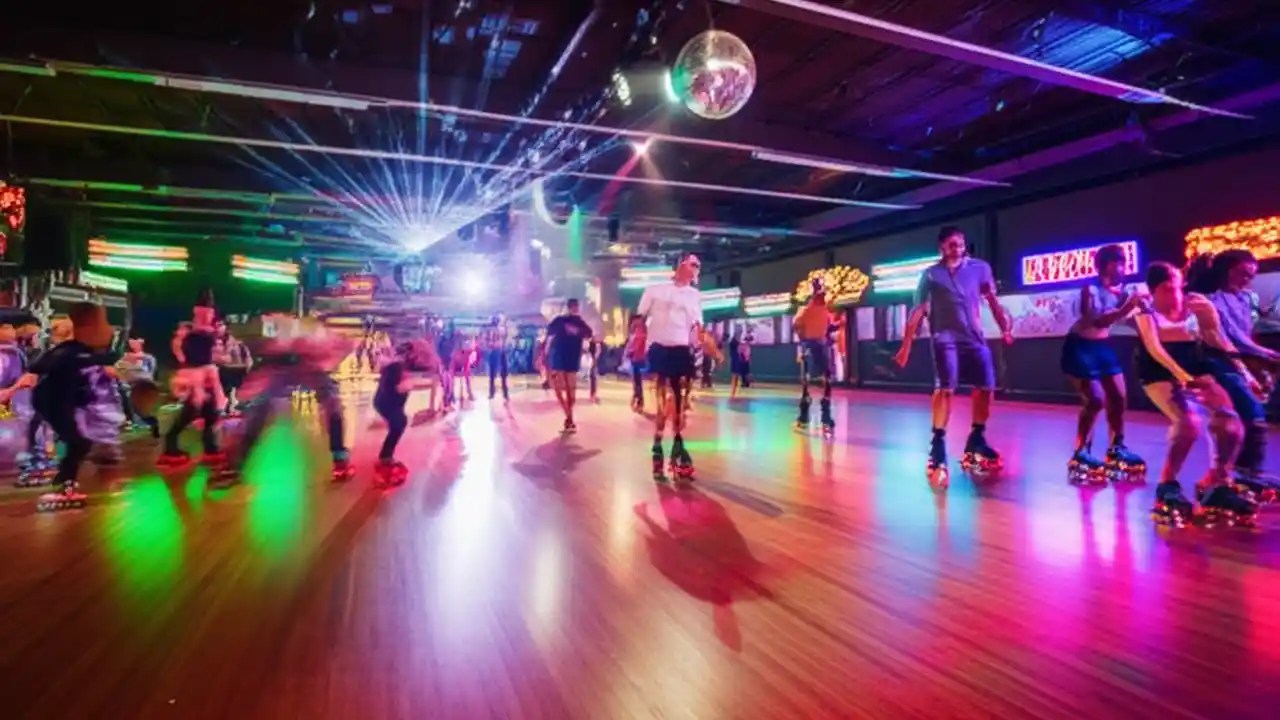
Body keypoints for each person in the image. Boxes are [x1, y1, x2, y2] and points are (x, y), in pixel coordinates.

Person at [1135, 262, 1257, 526]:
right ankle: (1167, 483)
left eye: (1179, 287)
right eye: (1168, 289)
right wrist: (1183, 378)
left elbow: (1220, 341)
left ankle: (1218, 483)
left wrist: (1246, 374)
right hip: (1159, 371)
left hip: (1194, 365)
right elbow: (1156, 350)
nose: (1176, 295)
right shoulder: (1144, 310)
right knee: (1189, 424)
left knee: (1231, 424)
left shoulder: (1197, 305)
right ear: (1153, 291)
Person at [893, 226, 1012, 485]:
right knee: (946, 389)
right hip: (944, 339)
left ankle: (977, 438)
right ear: (942, 248)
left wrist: (1004, 328)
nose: (957, 248)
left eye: (960, 244)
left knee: (985, 387)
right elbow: (918, 310)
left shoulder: (980, 268)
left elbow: (992, 300)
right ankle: (938, 443)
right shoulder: (931, 275)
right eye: (951, 245)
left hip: (974, 338)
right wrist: (906, 345)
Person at [0, 303, 119, 511]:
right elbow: (33, 373)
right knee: (77, 441)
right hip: (51, 402)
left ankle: (62, 479)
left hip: (66, 402)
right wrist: (10, 392)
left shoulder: (87, 352)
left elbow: (107, 363)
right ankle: (60, 480)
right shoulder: (64, 352)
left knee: (80, 442)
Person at [1186, 250, 1280, 502]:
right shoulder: (1208, 300)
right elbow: (1229, 339)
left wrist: (1262, 355)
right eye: (1242, 273)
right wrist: (1262, 354)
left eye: (1251, 275)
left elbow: (1247, 334)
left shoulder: (1247, 299)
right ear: (1226, 270)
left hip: (1237, 359)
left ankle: (1235, 476)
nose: (1247, 279)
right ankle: (1240, 476)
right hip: (1216, 361)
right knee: (1250, 416)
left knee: (1240, 420)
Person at [1060, 244, 1146, 484]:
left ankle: (1116, 446)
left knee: (1118, 397)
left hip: (1102, 347)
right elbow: (1096, 321)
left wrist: (1140, 308)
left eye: (1124, 263)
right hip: (1080, 347)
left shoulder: (1123, 292)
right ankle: (1081, 451)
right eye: (1118, 263)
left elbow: (1131, 318)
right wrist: (1127, 307)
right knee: (1095, 400)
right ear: (1104, 265)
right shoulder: (1090, 289)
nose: (1123, 268)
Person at [637, 254, 703, 480]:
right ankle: (658, 444)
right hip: (659, 350)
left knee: (681, 404)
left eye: (698, 266)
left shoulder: (694, 296)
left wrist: (706, 347)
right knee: (663, 402)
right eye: (693, 264)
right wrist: (638, 341)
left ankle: (677, 446)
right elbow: (639, 319)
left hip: (682, 352)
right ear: (680, 265)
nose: (696, 269)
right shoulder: (655, 290)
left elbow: (697, 327)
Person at [159, 298, 228, 478]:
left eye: (210, 313)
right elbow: (181, 352)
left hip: (206, 376)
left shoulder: (207, 332)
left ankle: (209, 447)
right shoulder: (192, 333)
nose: (208, 315)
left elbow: (211, 353)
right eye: (205, 312)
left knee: (210, 412)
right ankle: (171, 446)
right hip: (195, 376)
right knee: (191, 411)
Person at [794, 278, 838, 435]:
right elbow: (830, 327)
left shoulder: (805, 311)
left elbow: (797, 326)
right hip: (821, 346)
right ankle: (825, 420)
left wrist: (803, 337)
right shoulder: (823, 311)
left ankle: (804, 419)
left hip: (809, 347)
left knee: (807, 384)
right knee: (825, 382)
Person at [372, 341, 419, 487]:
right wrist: (401, 388)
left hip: (389, 403)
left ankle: (386, 456)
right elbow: (392, 387)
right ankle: (385, 457)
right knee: (399, 423)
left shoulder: (399, 367)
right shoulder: (396, 367)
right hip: (387, 403)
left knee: (399, 422)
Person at [545, 299, 593, 433]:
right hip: (559, 356)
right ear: (568, 307)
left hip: (571, 357)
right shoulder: (559, 320)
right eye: (573, 307)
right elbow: (549, 333)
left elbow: (589, 333)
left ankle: (569, 416)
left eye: (576, 307)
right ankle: (569, 416)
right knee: (559, 387)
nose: (575, 309)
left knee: (571, 390)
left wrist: (576, 331)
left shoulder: (580, 323)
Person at [115, 334, 160, 438]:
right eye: (131, 340)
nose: (133, 342)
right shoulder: (123, 359)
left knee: (139, 409)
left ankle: (147, 423)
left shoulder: (148, 359)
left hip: (143, 388)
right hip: (130, 387)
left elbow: (150, 374)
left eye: (136, 340)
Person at [484, 313, 511, 402]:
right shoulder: (493, 330)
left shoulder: (501, 329)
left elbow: (506, 339)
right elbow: (486, 340)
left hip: (500, 351)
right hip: (496, 351)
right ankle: (497, 393)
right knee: (494, 374)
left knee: (501, 374)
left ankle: (503, 393)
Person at [624, 314, 648, 411]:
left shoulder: (641, 332)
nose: (634, 323)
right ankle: (637, 400)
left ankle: (639, 401)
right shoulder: (637, 331)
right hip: (636, 359)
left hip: (639, 359)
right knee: (637, 381)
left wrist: (630, 351)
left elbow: (636, 346)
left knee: (637, 381)